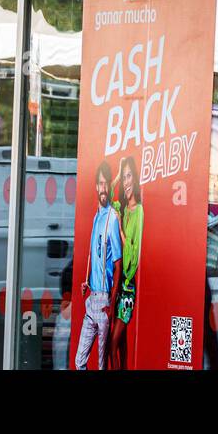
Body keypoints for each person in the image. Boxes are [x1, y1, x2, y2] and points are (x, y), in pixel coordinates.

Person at [74, 160, 121, 370]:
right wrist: (88, 282)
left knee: (102, 365)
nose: (103, 188)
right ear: (96, 186)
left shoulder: (112, 218)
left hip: (103, 303)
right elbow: (97, 257)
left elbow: (118, 265)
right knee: (79, 361)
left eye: (107, 184)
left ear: (111, 185)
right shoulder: (96, 217)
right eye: (100, 184)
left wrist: (111, 302)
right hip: (91, 300)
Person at [108, 155, 143, 369]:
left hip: (128, 287)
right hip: (117, 285)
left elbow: (132, 254)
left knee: (112, 341)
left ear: (136, 179)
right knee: (121, 344)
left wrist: (120, 229)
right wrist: (118, 175)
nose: (127, 182)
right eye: (124, 178)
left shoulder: (138, 211)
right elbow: (109, 197)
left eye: (130, 176)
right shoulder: (121, 208)